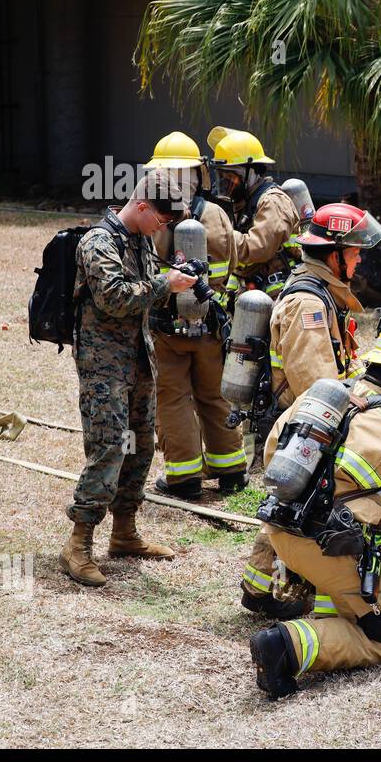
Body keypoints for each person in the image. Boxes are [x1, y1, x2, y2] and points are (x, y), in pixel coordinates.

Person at [249, 319, 381, 699]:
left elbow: (273, 455)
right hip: (333, 552)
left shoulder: (322, 397)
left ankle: (332, 600)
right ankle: (285, 645)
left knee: (352, 537)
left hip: (281, 532)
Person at [240, 202, 381, 619]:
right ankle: (263, 589)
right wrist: (356, 403)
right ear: (334, 254)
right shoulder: (309, 305)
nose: (359, 260)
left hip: (310, 419)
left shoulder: (323, 295)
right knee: (291, 504)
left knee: (295, 503)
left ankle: (264, 586)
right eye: (354, 252)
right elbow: (316, 383)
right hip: (303, 422)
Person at [60, 166, 198, 586]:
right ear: (140, 205)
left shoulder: (138, 241)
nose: (164, 227)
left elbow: (144, 295)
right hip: (105, 367)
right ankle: (78, 544)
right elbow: (115, 297)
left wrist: (173, 280)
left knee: (139, 445)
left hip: (138, 361)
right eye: (161, 219)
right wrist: (164, 284)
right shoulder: (97, 242)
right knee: (108, 448)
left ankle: (125, 532)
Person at [142, 132, 248, 500]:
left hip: (168, 329)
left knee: (173, 399)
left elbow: (146, 270)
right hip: (212, 326)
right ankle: (231, 470)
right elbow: (233, 261)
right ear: (197, 172)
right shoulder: (217, 213)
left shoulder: (155, 214)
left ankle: (184, 478)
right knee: (214, 395)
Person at [210, 126, 303, 300]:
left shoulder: (272, 201)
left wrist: (218, 236)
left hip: (278, 297)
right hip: (253, 297)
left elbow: (258, 249)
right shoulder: (243, 203)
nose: (225, 182)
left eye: (231, 176)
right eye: (221, 176)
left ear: (251, 173)